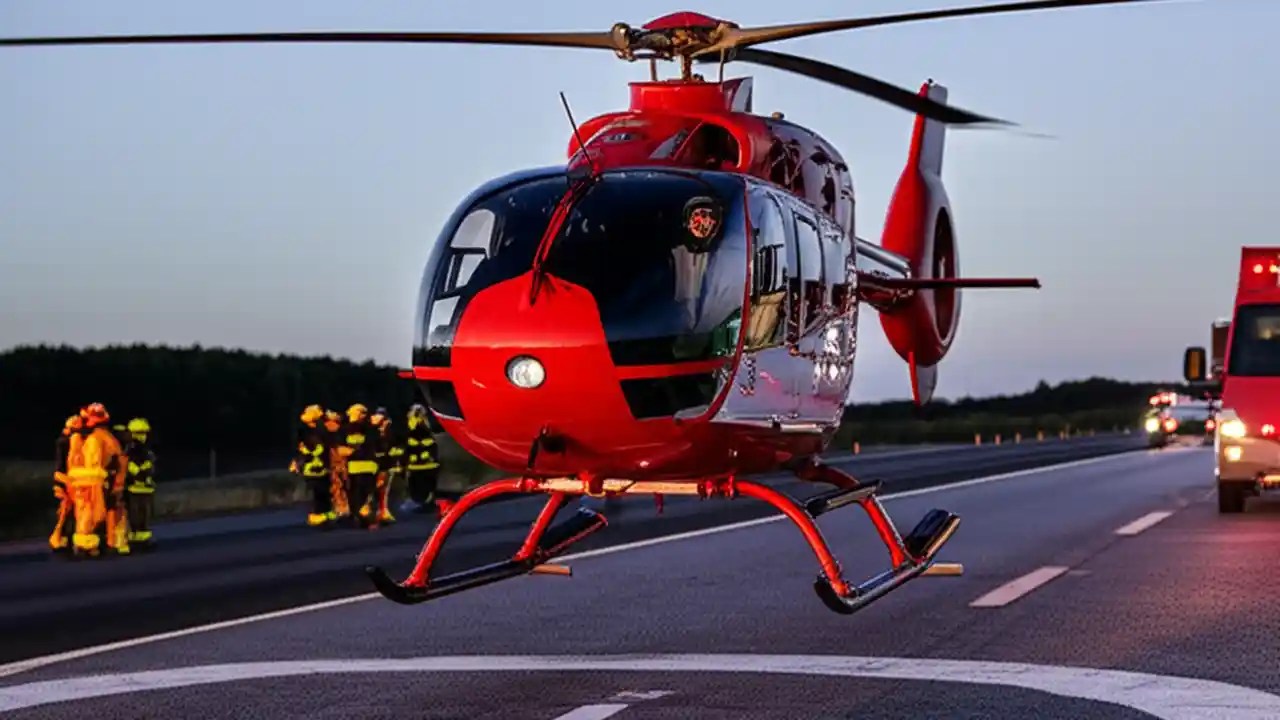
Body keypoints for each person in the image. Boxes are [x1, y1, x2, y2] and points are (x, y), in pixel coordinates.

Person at [66, 403, 126, 557]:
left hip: (80, 482)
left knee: (84, 513)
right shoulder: (103, 437)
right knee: (95, 514)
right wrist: (117, 484)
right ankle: (90, 546)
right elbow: (119, 460)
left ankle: (85, 544)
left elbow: (70, 462)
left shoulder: (78, 438)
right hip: (94, 481)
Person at [290, 404, 336, 528]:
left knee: (324, 491)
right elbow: (300, 449)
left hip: (324, 466)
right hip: (311, 468)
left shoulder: (323, 430)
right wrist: (296, 462)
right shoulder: (304, 432)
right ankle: (320, 514)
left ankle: (326, 515)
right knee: (317, 491)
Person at [337, 404, 380, 529]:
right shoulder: (346, 430)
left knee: (363, 495)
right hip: (355, 468)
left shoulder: (368, 428)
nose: (362, 415)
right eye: (360, 412)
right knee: (357, 495)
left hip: (365, 467)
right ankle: (359, 517)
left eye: (363, 413)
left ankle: (365, 518)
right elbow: (340, 448)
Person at [123, 418, 158, 549]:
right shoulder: (130, 452)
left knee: (144, 516)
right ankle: (137, 539)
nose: (143, 436)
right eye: (140, 433)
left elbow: (151, 468)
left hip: (145, 489)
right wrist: (142, 471)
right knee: (135, 516)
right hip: (134, 489)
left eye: (144, 433)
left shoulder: (147, 452)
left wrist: (145, 470)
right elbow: (132, 469)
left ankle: (143, 539)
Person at [403, 404, 443, 514]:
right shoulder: (410, 429)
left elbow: (431, 445)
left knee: (427, 483)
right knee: (415, 483)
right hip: (415, 465)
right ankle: (416, 500)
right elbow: (408, 445)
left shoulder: (426, 428)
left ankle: (429, 502)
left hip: (428, 465)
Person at [50, 414, 81, 552]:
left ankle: (63, 540)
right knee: (66, 513)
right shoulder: (65, 442)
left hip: (66, 480)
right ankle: (60, 540)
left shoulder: (64, 441)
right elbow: (62, 465)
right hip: (66, 481)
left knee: (67, 513)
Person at [323, 409, 350, 520]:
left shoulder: (341, 431)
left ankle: (343, 508)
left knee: (342, 486)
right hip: (334, 462)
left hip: (340, 462)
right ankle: (340, 508)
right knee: (336, 487)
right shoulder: (329, 430)